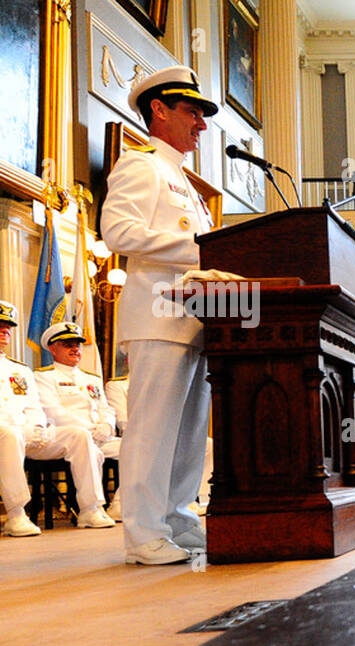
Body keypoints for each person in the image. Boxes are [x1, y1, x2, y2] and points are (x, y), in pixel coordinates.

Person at [101, 65, 220, 565]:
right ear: (159, 110)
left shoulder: (185, 182)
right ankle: (143, 534)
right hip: (157, 316)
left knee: (189, 433)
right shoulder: (141, 166)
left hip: (195, 320)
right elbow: (118, 233)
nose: (202, 125)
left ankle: (177, 520)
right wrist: (197, 248)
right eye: (192, 112)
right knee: (153, 429)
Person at [0, 303, 114, 535]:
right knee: (9, 434)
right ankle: (16, 514)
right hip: (5, 435)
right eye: (0, 327)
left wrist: (37, 425)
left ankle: (90, 509)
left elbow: (34, 406)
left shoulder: (20, 371)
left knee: (78, 435)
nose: (5, 332)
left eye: (8, 328)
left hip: (28, 434)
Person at [34, 322, 123, 518]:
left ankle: (120, 504)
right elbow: (52, 412)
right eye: (68, 344)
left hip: (100, 437)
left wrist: (107, 426)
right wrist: (90, 429)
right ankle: (91, 510)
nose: (75, 349)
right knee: (87, 446)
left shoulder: (91, 379)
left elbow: (106, 408)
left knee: (139, 448)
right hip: (71, 437)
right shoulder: (43, 377)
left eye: (78, 344)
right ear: (52, 349)